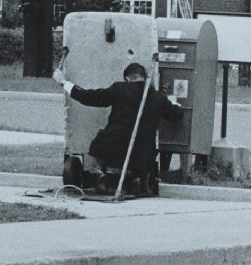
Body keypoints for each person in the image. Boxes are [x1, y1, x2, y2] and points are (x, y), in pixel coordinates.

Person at [53, 62, 183, 195]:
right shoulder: (158, 97)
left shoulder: (119, 88)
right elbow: (176, 114)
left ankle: (100, 173)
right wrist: (172, 102)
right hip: (142, 156)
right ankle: (132, 178)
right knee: (140, 156)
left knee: (98, 146)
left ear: (127, 79)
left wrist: (64, 82)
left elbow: (90, 97)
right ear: (144, 78)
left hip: (111, 148)